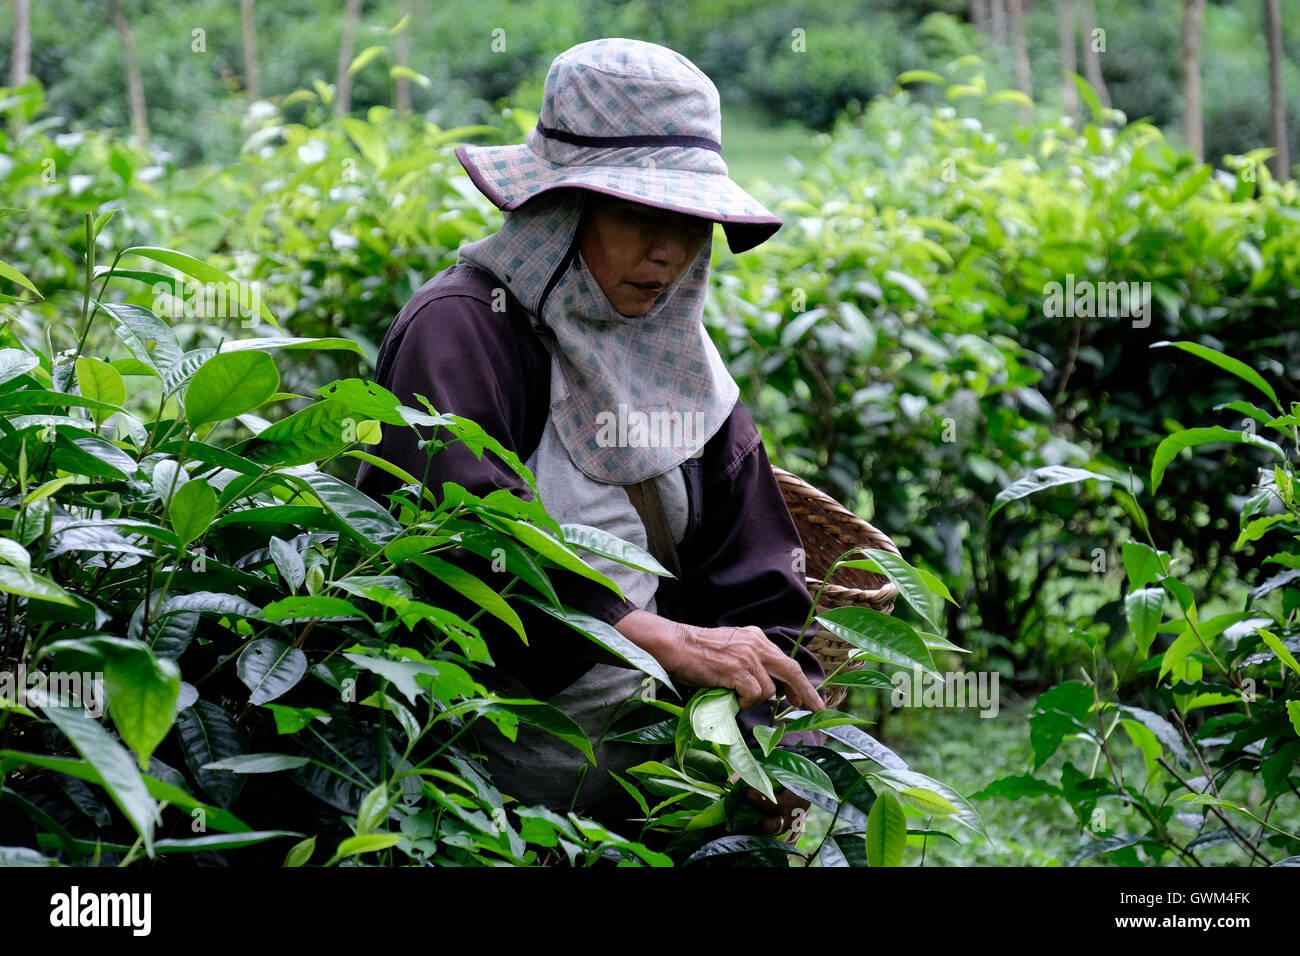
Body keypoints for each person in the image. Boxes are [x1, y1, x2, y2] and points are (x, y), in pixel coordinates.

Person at [355, 38, 825, 842]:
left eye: (692, 222)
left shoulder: (685, 368)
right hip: (467, 804)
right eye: (642, 214)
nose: (671, 251)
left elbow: (759, 587)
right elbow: (463, 540)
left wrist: (776, 749)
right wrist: (652, 636)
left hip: (657, 808)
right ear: (559, 210)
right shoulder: (465, 332)